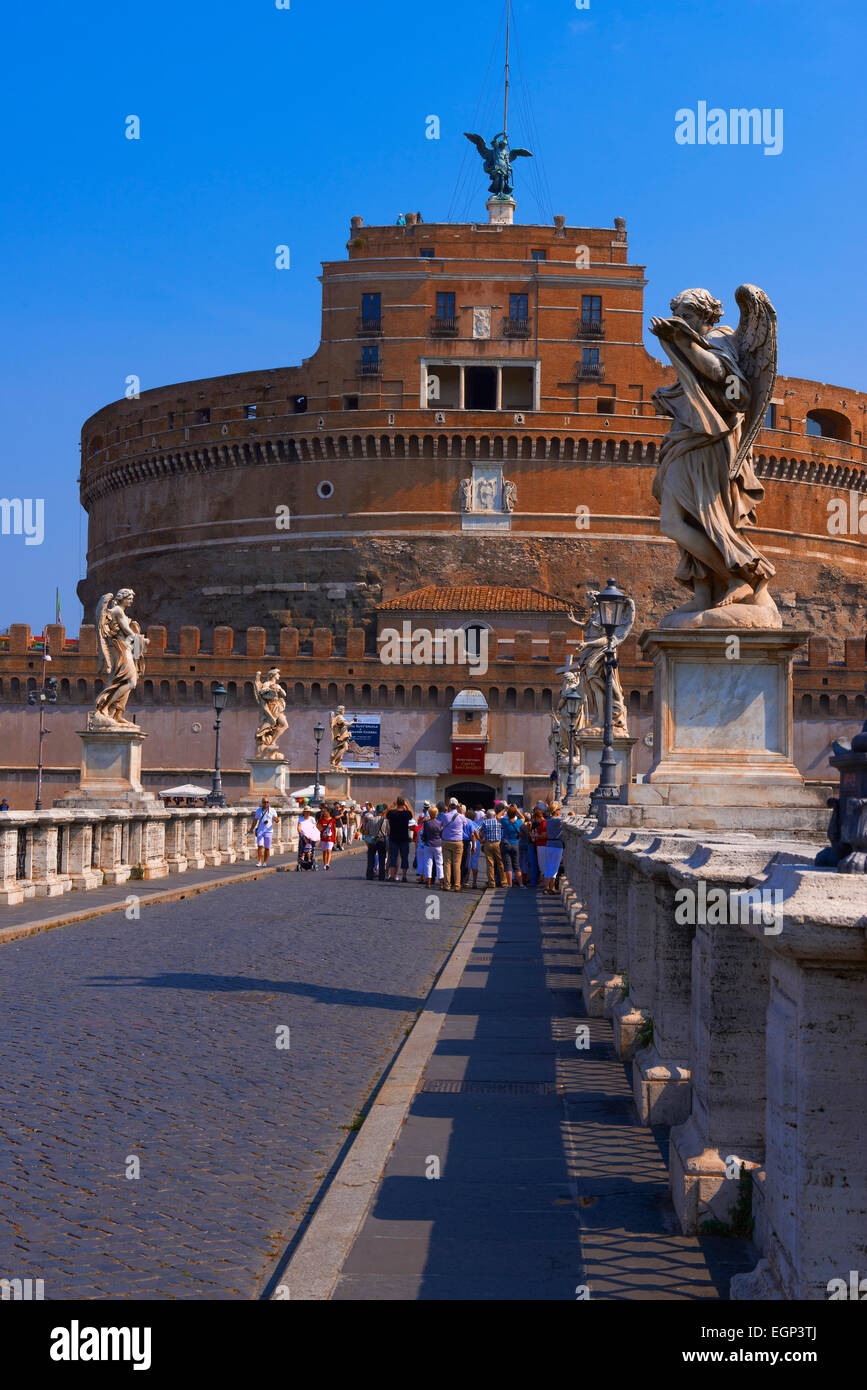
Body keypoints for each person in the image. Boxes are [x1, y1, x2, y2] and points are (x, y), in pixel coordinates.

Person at [440, 798, 466, 891]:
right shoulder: (461, 816)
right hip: (458, 841)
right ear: (457, 806)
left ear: (449, 806)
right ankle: (457, 885)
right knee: (457, 864)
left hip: (446, 841)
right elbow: (465, 824)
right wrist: (461, 811)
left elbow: (441, 826)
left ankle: (447, 885)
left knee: (447, 863)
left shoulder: (445, 815)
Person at [539, 802, 565, 895]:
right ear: (556, 811)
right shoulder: (558, 820)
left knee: (549, 866)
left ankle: (547, 887)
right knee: (555, 868)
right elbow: (567, 819)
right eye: (559, 809)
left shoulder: (548, 820)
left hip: (549, 844)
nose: (560, 811)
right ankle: (551, 888)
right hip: (557, 845)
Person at [386, 796, 413, 882]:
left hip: (393, 838)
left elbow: (386, 813)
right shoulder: (406, 813)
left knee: (393, 857)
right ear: (403, 804)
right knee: (404, 857)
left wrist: (392, 805)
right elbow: (411, 814)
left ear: (397, 803)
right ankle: (404, 876)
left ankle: (392, 876)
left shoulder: (392, 812)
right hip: (404, 838)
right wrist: (407, 805)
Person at [477, 808, 504, 889]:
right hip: (498, 844)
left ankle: (492, 883)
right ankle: (504, 882)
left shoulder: (484, 822)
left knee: (490, 864)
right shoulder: (499, 821)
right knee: (501, 863)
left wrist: (480, 841)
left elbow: (475, 831)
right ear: (494, 815)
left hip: (488, 844)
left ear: (487, 816)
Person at [249, 797, 279, 866]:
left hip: (269, 831)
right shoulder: (258, 810)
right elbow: (255, 820)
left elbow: (277, 820)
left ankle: (265, 862)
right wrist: (251, 829)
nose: (266, 803)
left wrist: (276, 819)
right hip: (260, 831)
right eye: (264, 802)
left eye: (267, 802)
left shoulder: (272, 810)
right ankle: (259, 861)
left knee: (267, 848)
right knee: (260, 845)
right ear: (262, 803)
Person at [363, 803, 389, 881]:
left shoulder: (371, 820)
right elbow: (388, 831)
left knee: (371, 859)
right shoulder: (385, 821)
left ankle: (369, 875)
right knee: (382, 859)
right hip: (382, 840)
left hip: (372, 840)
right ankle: (382, 876)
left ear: (376, 811)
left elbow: (366, 831)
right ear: (383, 812)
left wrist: (367, 839)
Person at [420, 806, 445, 888]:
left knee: (428, 863)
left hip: (428, 844)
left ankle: (428, 882)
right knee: (439, 864)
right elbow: (442, 834)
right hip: (438, 844)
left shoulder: (426, 823)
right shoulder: (440, 823)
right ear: (436, 813)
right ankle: (441, 883)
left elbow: (424, 834)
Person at [499, 805, 523, 888]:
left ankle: (509, 884)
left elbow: (498, 816)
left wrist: (505, 809)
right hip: (515, 844)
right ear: (515, 813)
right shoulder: (518, 822)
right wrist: (517, 810)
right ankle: (521, 884)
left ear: (507, 814)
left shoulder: (505, 821)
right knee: (516, 865)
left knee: (508, 865)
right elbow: (523, 817)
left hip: (506, 844)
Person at [532, 808, 548, 890]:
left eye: (535, 819)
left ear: (538, 817)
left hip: (542, 845)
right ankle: (543, 881)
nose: (535, 821)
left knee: (542, 863)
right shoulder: (543, 823)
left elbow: (544, 835)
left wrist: (535, 836)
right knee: (542, 863)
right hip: (541, 845)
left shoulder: (544, 824)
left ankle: (544, 882)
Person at [318, 805, 336, 869]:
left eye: (325, 811)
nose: (323, 813)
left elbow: (334, 829)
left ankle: (328, 863)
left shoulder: (333, 820)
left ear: (328, 812)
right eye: (323, 812)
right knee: (324, 852)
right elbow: (318, 828)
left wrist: (335, 838)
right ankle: (325, 864)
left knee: (329, 850)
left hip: (330, 838)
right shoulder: (321, 820)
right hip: (323, 837)